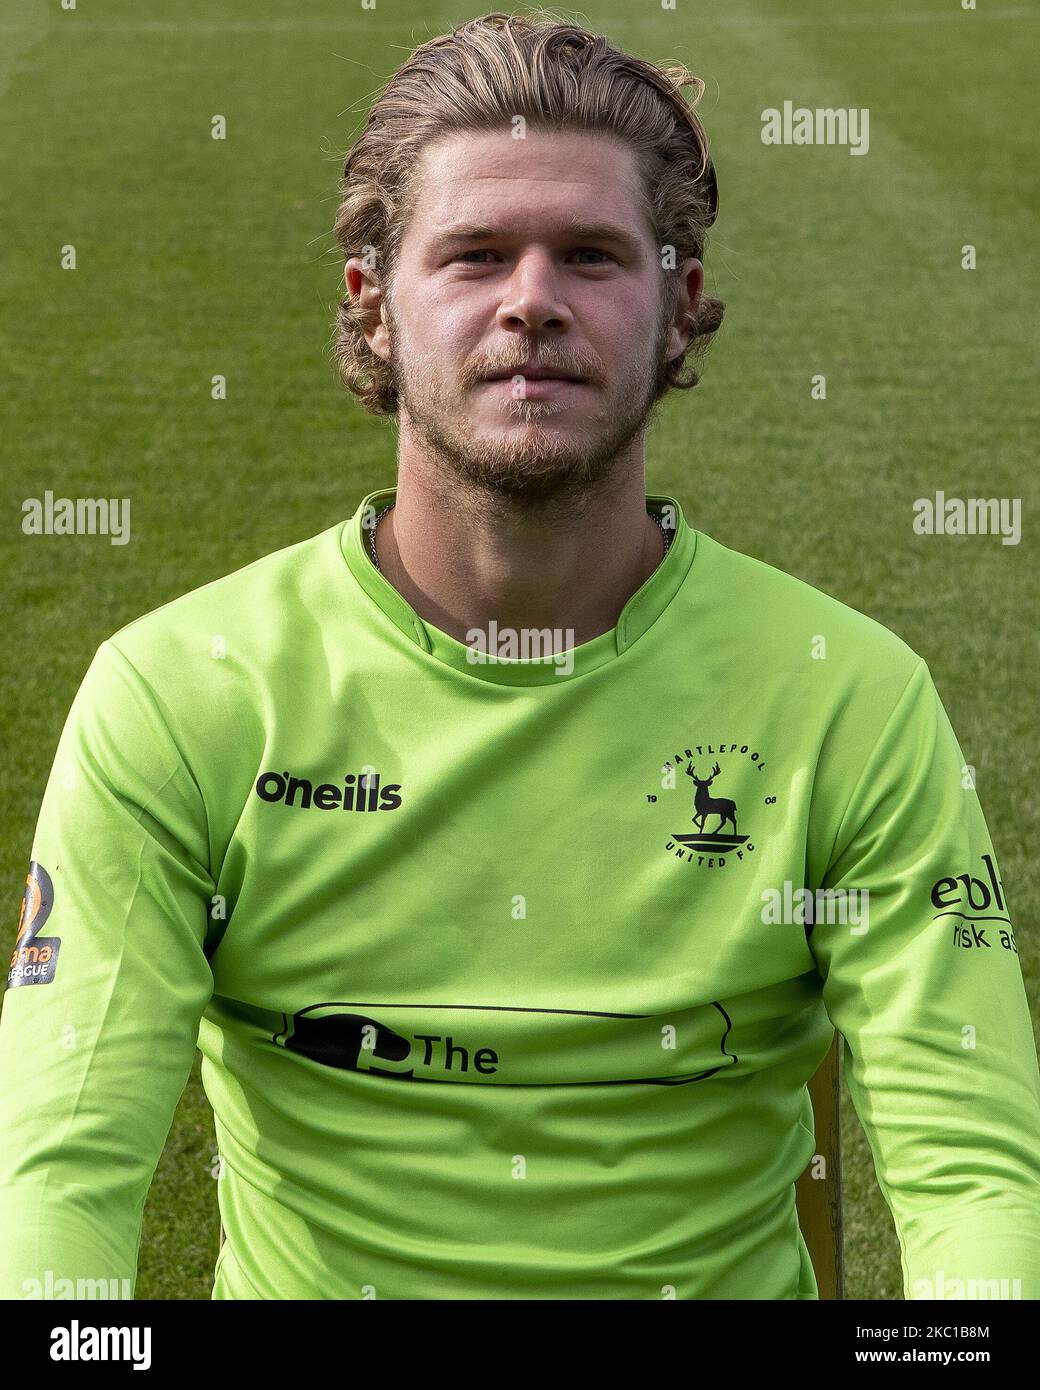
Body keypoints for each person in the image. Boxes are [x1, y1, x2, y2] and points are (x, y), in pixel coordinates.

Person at [2, 12, 1038, 1302]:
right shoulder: (179, 694)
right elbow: (59, 1177)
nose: (532, 300)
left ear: (682, 308)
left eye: (593, 257)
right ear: (372, 308)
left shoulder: (848, 696)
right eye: (475, 254)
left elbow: (977, 1180)